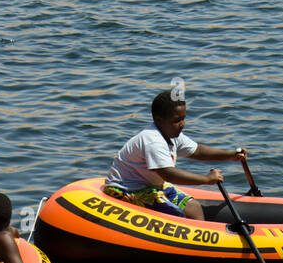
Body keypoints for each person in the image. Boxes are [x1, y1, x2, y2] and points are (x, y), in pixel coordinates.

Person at [104, 83, 244, 221]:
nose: (182, 124)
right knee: (176, 216)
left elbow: (198, 151)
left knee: (193, 208)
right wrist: (206, 179)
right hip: (127, 189)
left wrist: (230, 155)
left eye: (183, 119)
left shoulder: (172, 134)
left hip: (152, 186)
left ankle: (197, 242)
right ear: (159, 120)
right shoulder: (153, 141)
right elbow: (168, 174)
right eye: (177, 120)